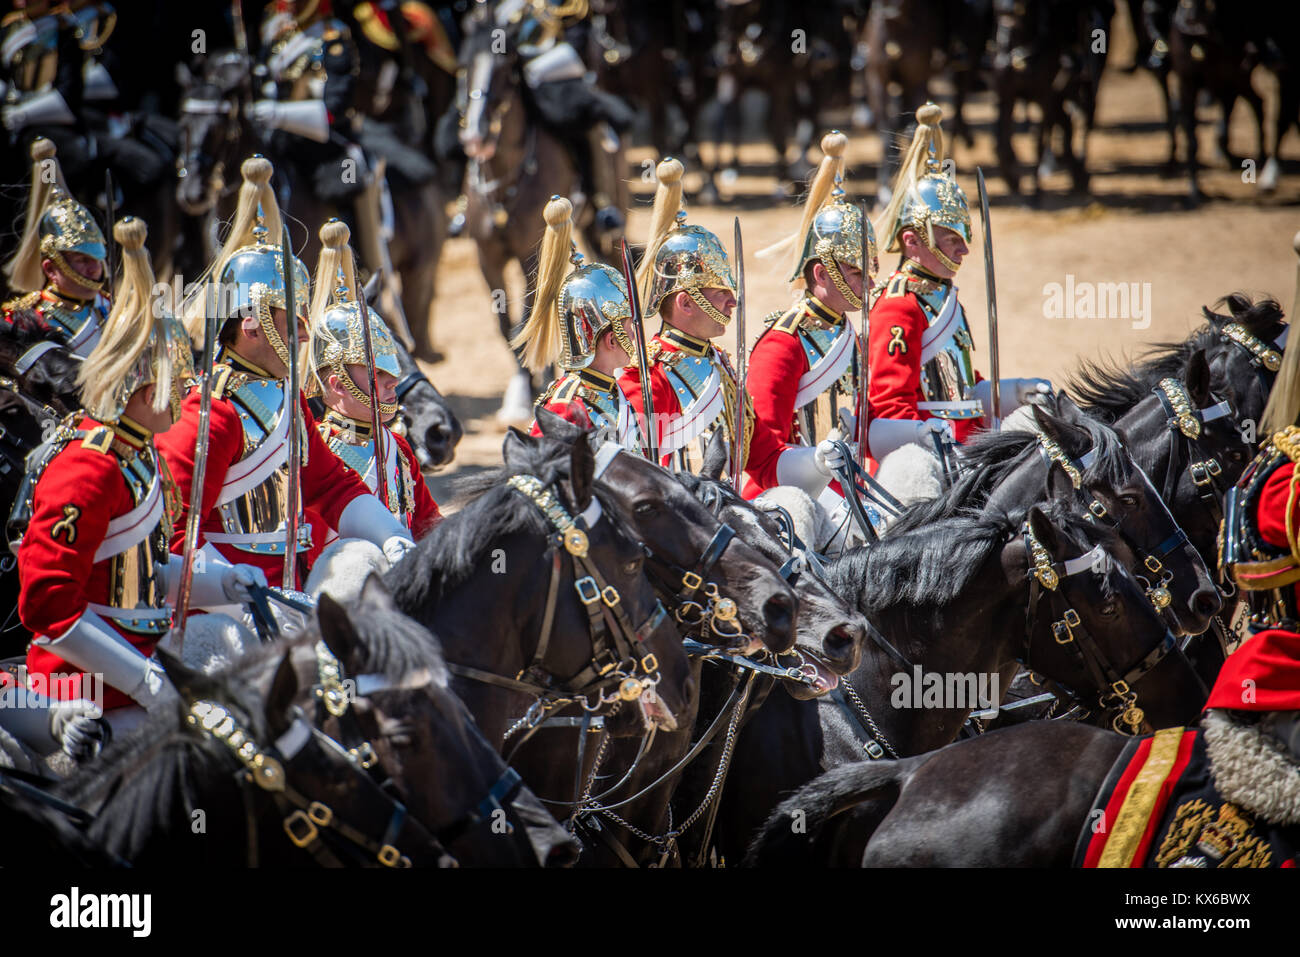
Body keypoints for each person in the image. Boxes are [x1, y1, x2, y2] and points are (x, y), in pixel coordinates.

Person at [15, 217, 265, 731]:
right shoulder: (86, 471)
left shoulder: (139, 453)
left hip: (139, 664)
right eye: (178, 386)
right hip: (85, 690)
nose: (188, 398)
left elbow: (143, 575)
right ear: (146, 390)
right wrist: (145, 683)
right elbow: (50, 611)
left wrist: (224, 583)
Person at [157, 156, 415, 595]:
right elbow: (175, 534)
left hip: (293, 591)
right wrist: (226, 584)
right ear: (253, 322)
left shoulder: (286, 398)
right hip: (228, 605)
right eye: (291, 318)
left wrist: (392, 537)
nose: (303, 331)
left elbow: (331, 486)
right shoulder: (210, 413)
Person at [619, 157, 845, 500]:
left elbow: (765, 461)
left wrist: (816, 461)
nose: (733, 302)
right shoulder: (647, 377)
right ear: (685, 303)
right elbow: (633, 478)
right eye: (721, 292)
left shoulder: (722, 367)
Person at [867, 102, 1049, 462]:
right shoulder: (898, 306)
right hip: (935, 461)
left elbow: (961, 392)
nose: (964, 249)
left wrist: (1017, 392)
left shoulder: (941, 294)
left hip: (969, 447)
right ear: (912, 241)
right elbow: (891, 408)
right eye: (951, 238)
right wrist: (941, 455)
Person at [748, 131, 876, 522]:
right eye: (857, 272)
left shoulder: (843, 330)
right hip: (795, 502)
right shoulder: (783, 343)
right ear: (821, 273)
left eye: (870, 270)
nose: (870, 283)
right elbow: (762, 458)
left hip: (850, 487)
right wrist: (818, 465)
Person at [306, 219, 441, 554]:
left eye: (390, 371)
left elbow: (428, 528)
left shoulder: (398, 447)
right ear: (337, 386)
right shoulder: (317, 454)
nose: (392, 382)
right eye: (376, 374)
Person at [514, 195, 643, 451]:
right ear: (611, 338)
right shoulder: (565, 408)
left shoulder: (612, 392)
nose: (634, 331)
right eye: (627, 324)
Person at [2, 137, 109, 362]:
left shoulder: (111, 306)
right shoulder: (25, 321)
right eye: (82, 259)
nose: (94, 269)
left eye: (97, 259)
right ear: (51, 269)